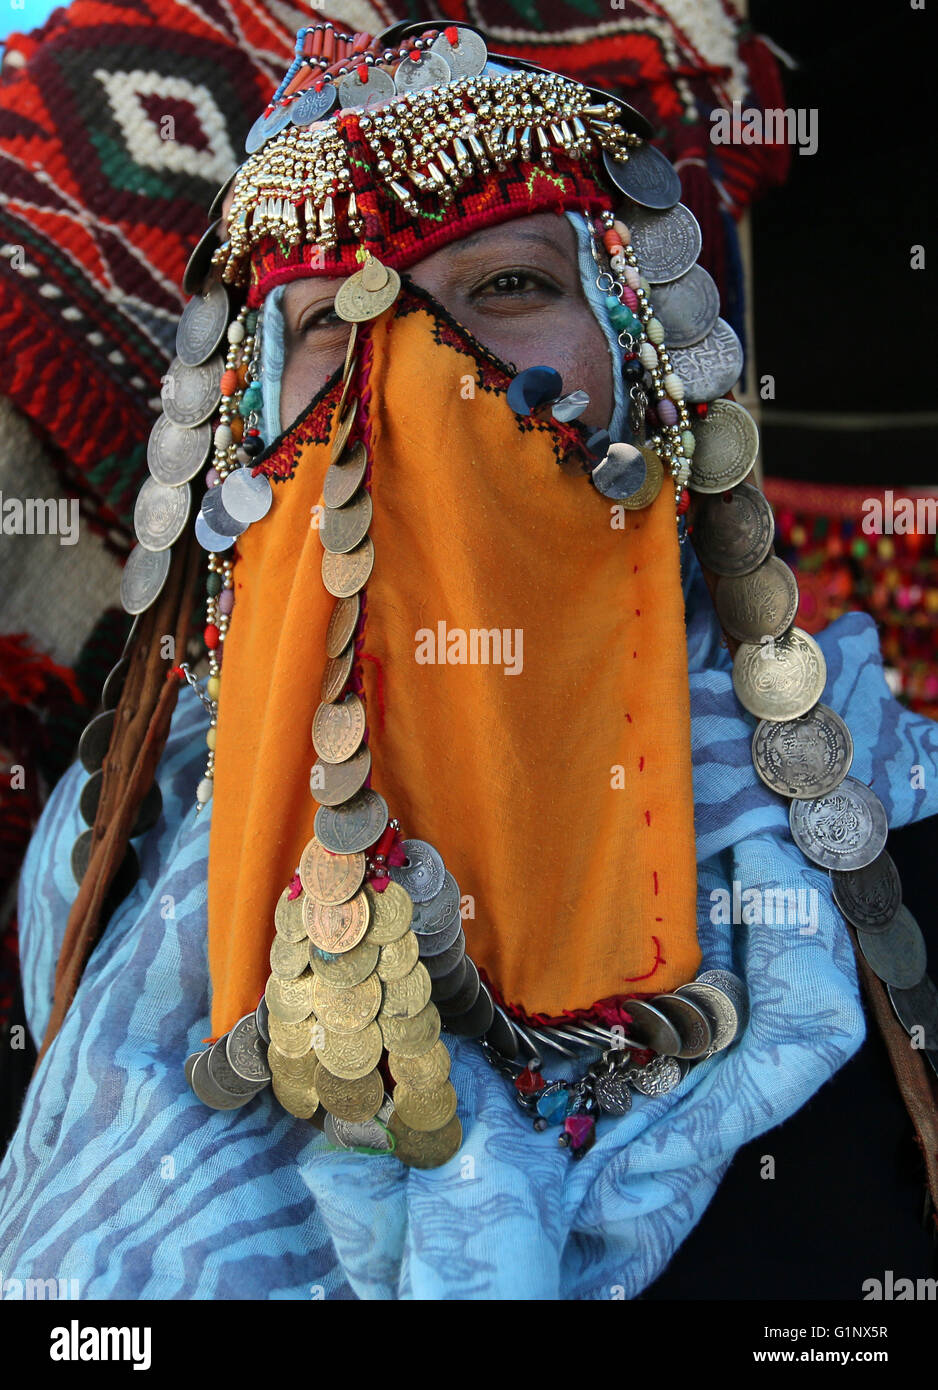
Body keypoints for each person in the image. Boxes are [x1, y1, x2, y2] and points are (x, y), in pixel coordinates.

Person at [0, 17, 936, 1302]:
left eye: (508, 286)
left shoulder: (880, 860)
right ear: (250, 416)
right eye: (330, 317)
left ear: (646, 375)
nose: (400, 368)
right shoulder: (106, 860)